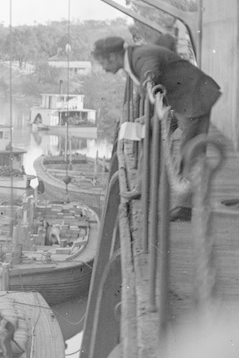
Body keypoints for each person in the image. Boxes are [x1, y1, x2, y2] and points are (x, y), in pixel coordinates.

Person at [91, 36, 222, 221]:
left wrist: (149, 82)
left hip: (194, 99)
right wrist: (150, 115)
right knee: (150, 132)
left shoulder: (140, 58)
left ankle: (185, 207)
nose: (103, 68)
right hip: (178, 102)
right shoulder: (133, 59)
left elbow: (151, 71)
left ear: (112, 57)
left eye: (102, 62)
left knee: (190, 151)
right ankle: (143, 187)